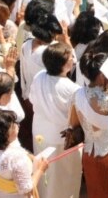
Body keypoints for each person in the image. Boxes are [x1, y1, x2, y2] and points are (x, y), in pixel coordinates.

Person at [71, 51, 108, 198]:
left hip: (88, 154)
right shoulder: (106, 99)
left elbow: (74, 123)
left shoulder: (77, 94)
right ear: (102, 75)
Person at [28, 43, 80, 198]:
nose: (73, 59)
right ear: (65, 64)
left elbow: (32, 99)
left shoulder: (39, 76)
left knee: (44, 173)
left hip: (40, 133)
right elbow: (76, 118)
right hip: (62, 140)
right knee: (64, 178)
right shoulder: (73, 89)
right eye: (71, 56)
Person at [0, 108, 47, 198]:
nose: (17, 125)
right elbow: (26, 189)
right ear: (4, 134)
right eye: (13, 125)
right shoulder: (16, 158)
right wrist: (40, 169)